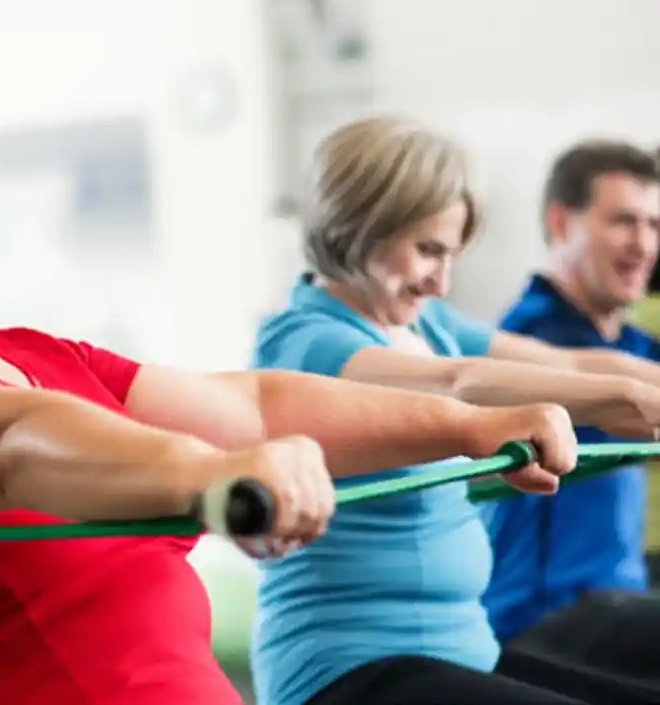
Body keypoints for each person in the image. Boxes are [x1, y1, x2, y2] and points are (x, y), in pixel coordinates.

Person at [0, 48, 579, 705]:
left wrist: (470, 429)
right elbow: (8, 444)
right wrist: (206, 473)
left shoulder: (35, 354)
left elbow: (251, 406)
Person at [252, 115, 660, 705]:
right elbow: (455, 386)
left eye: (453, 255)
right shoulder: (306, 341)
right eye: (427, 251)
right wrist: (613, 400)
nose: (442, 282)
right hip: (351, 670)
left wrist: (632, 384)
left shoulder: (424, 324)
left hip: (461, 653)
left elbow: (567, 363)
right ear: (362, 225)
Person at [481, 139, 660, 696]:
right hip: (541, 617)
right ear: (562, 222)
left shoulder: (631, 341)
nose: (644, 244)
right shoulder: (531, 336)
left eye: (654, 225)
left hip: (618, 597)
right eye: (624, 222)